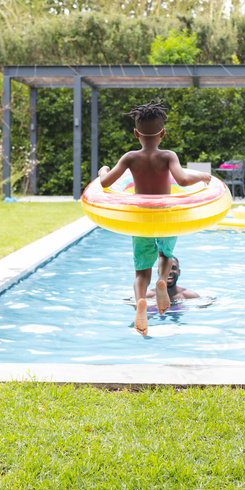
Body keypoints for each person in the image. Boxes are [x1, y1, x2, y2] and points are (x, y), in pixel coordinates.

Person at [97, 99, 211, 336]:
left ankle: (141, 301)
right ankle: (161, 279)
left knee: (140, 272)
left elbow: (106, 184)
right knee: (166, 255)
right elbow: (181, 180)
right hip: (166, 215)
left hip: (141, 217)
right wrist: (201, 175)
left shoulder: (130, 157)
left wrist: (103, 171)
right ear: (163, 133)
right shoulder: (168, 155)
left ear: (136, 133)